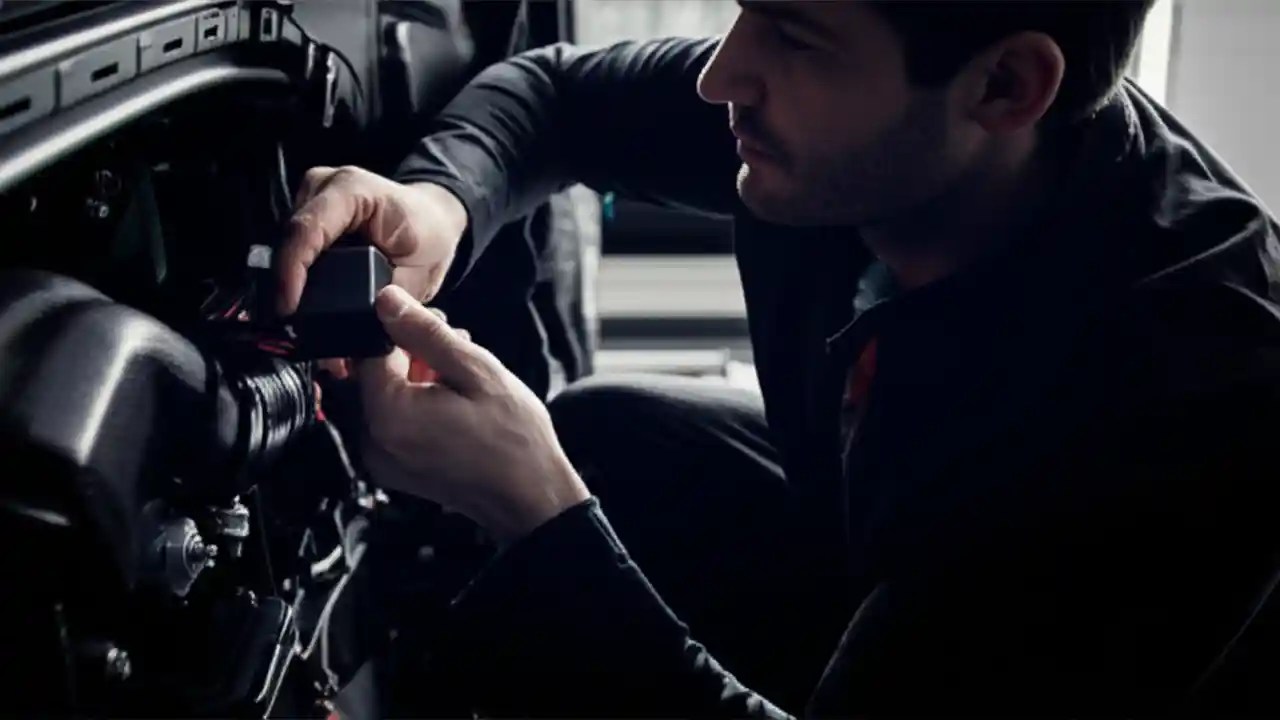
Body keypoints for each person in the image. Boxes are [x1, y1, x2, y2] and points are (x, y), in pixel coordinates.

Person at [277, 1, 1280, 715]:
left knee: (559, 492)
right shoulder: (878, 134)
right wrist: (435, 207)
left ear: (1004, 84)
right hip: (889, 544)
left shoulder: (1191, 400)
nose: (721, 76)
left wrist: (531, 513)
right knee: (606, 438)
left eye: (792, 32)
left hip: (1042, 646)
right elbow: (553, 98)